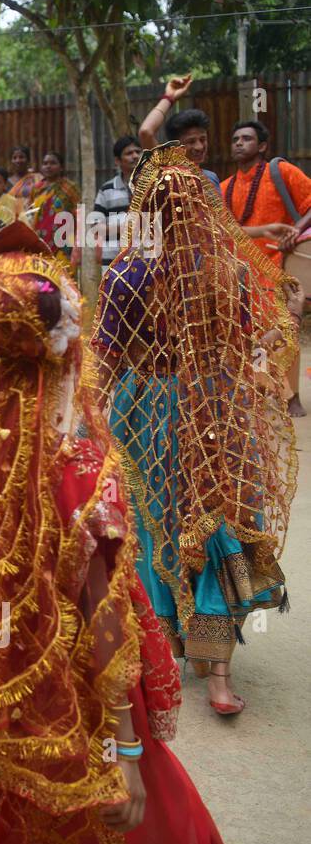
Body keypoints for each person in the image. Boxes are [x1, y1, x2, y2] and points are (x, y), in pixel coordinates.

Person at [0, 222, 224, 844]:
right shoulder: (79, 471)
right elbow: (106, 615)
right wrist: (128, 751)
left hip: (1, 694)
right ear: (62, 346)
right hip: (79, 701)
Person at [93, 143, 295, 716]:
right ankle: (219, 676)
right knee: (218, 522)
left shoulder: (125, 275)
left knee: (160, 527)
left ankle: (179, 646)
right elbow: (258, 337)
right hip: (216, 407)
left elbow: (107, 365)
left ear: (145, 211)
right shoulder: (228, 270)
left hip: (148, 411)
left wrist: (89, 422)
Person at [221, 119, 311, 417]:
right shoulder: (224, 188)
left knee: (287, 335)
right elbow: (225, 231)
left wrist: (294, 233)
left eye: (246, 138)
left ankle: (291, 395)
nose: (238, 143)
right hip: (244, 277)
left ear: (261, 146)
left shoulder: (281, 172)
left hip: (282, 271)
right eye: (235, 139)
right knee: (256, 339)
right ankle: (262, 390)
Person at [137, 74, 220, 187]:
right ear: (175, 148)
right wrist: (169, 97)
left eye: (203, 139)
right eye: (191, 142)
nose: (199, 147)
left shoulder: (211, 178)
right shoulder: (165, 171)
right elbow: (146, 132)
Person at [89, 135, 142, 275]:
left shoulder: (153, 186)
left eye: (138, 151)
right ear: (118, 160)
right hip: (112, 261)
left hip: (147, 259)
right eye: (129, 153)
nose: (135, 156)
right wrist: (125, 227)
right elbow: (95, 227)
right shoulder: (107, 190)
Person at [28, 150, 81, 252]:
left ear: (61, 167)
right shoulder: (36, 189)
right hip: (40, 240)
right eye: (45, 163)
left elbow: (79, 214)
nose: (48, 166)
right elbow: (30, 215)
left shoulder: (69, 188)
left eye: (53, 163)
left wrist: (78, 242)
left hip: (64, 243)